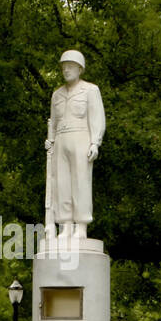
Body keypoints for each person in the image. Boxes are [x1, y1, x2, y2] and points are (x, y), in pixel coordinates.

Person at [45, 50, 105, 240]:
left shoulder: (90, 90)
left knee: (81, 182)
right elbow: (53, 121)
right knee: (61, 183)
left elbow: (97, 118)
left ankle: (81, 226)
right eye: (64, 67)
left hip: (81, 138)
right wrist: (51, 140)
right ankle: (66, 225)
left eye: (70, 66)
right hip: (61, 140)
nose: (66, 70)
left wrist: (95, 142)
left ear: (80, 69)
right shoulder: (57, 95)